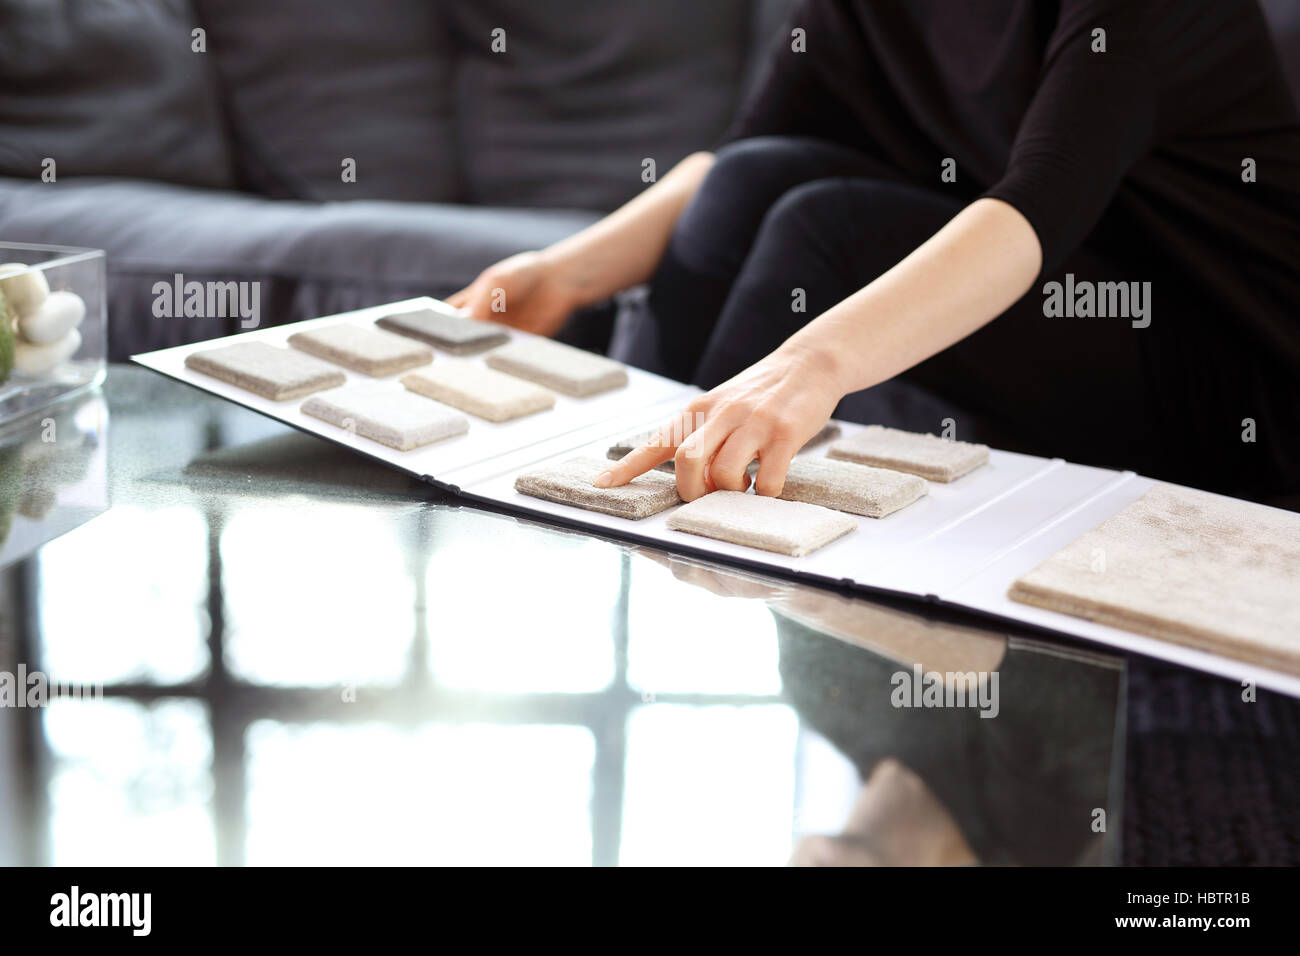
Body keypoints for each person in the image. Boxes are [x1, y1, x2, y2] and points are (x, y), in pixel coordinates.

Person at [451, 0, 1300, 505]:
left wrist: (815, 364)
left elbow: (1033, 210)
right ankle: (621, 472)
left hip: (1226, 377)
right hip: (1064, 313)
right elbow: (740, 157)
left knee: (824, 226)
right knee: (756, 178)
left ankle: (688, 503)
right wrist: (563, 272)